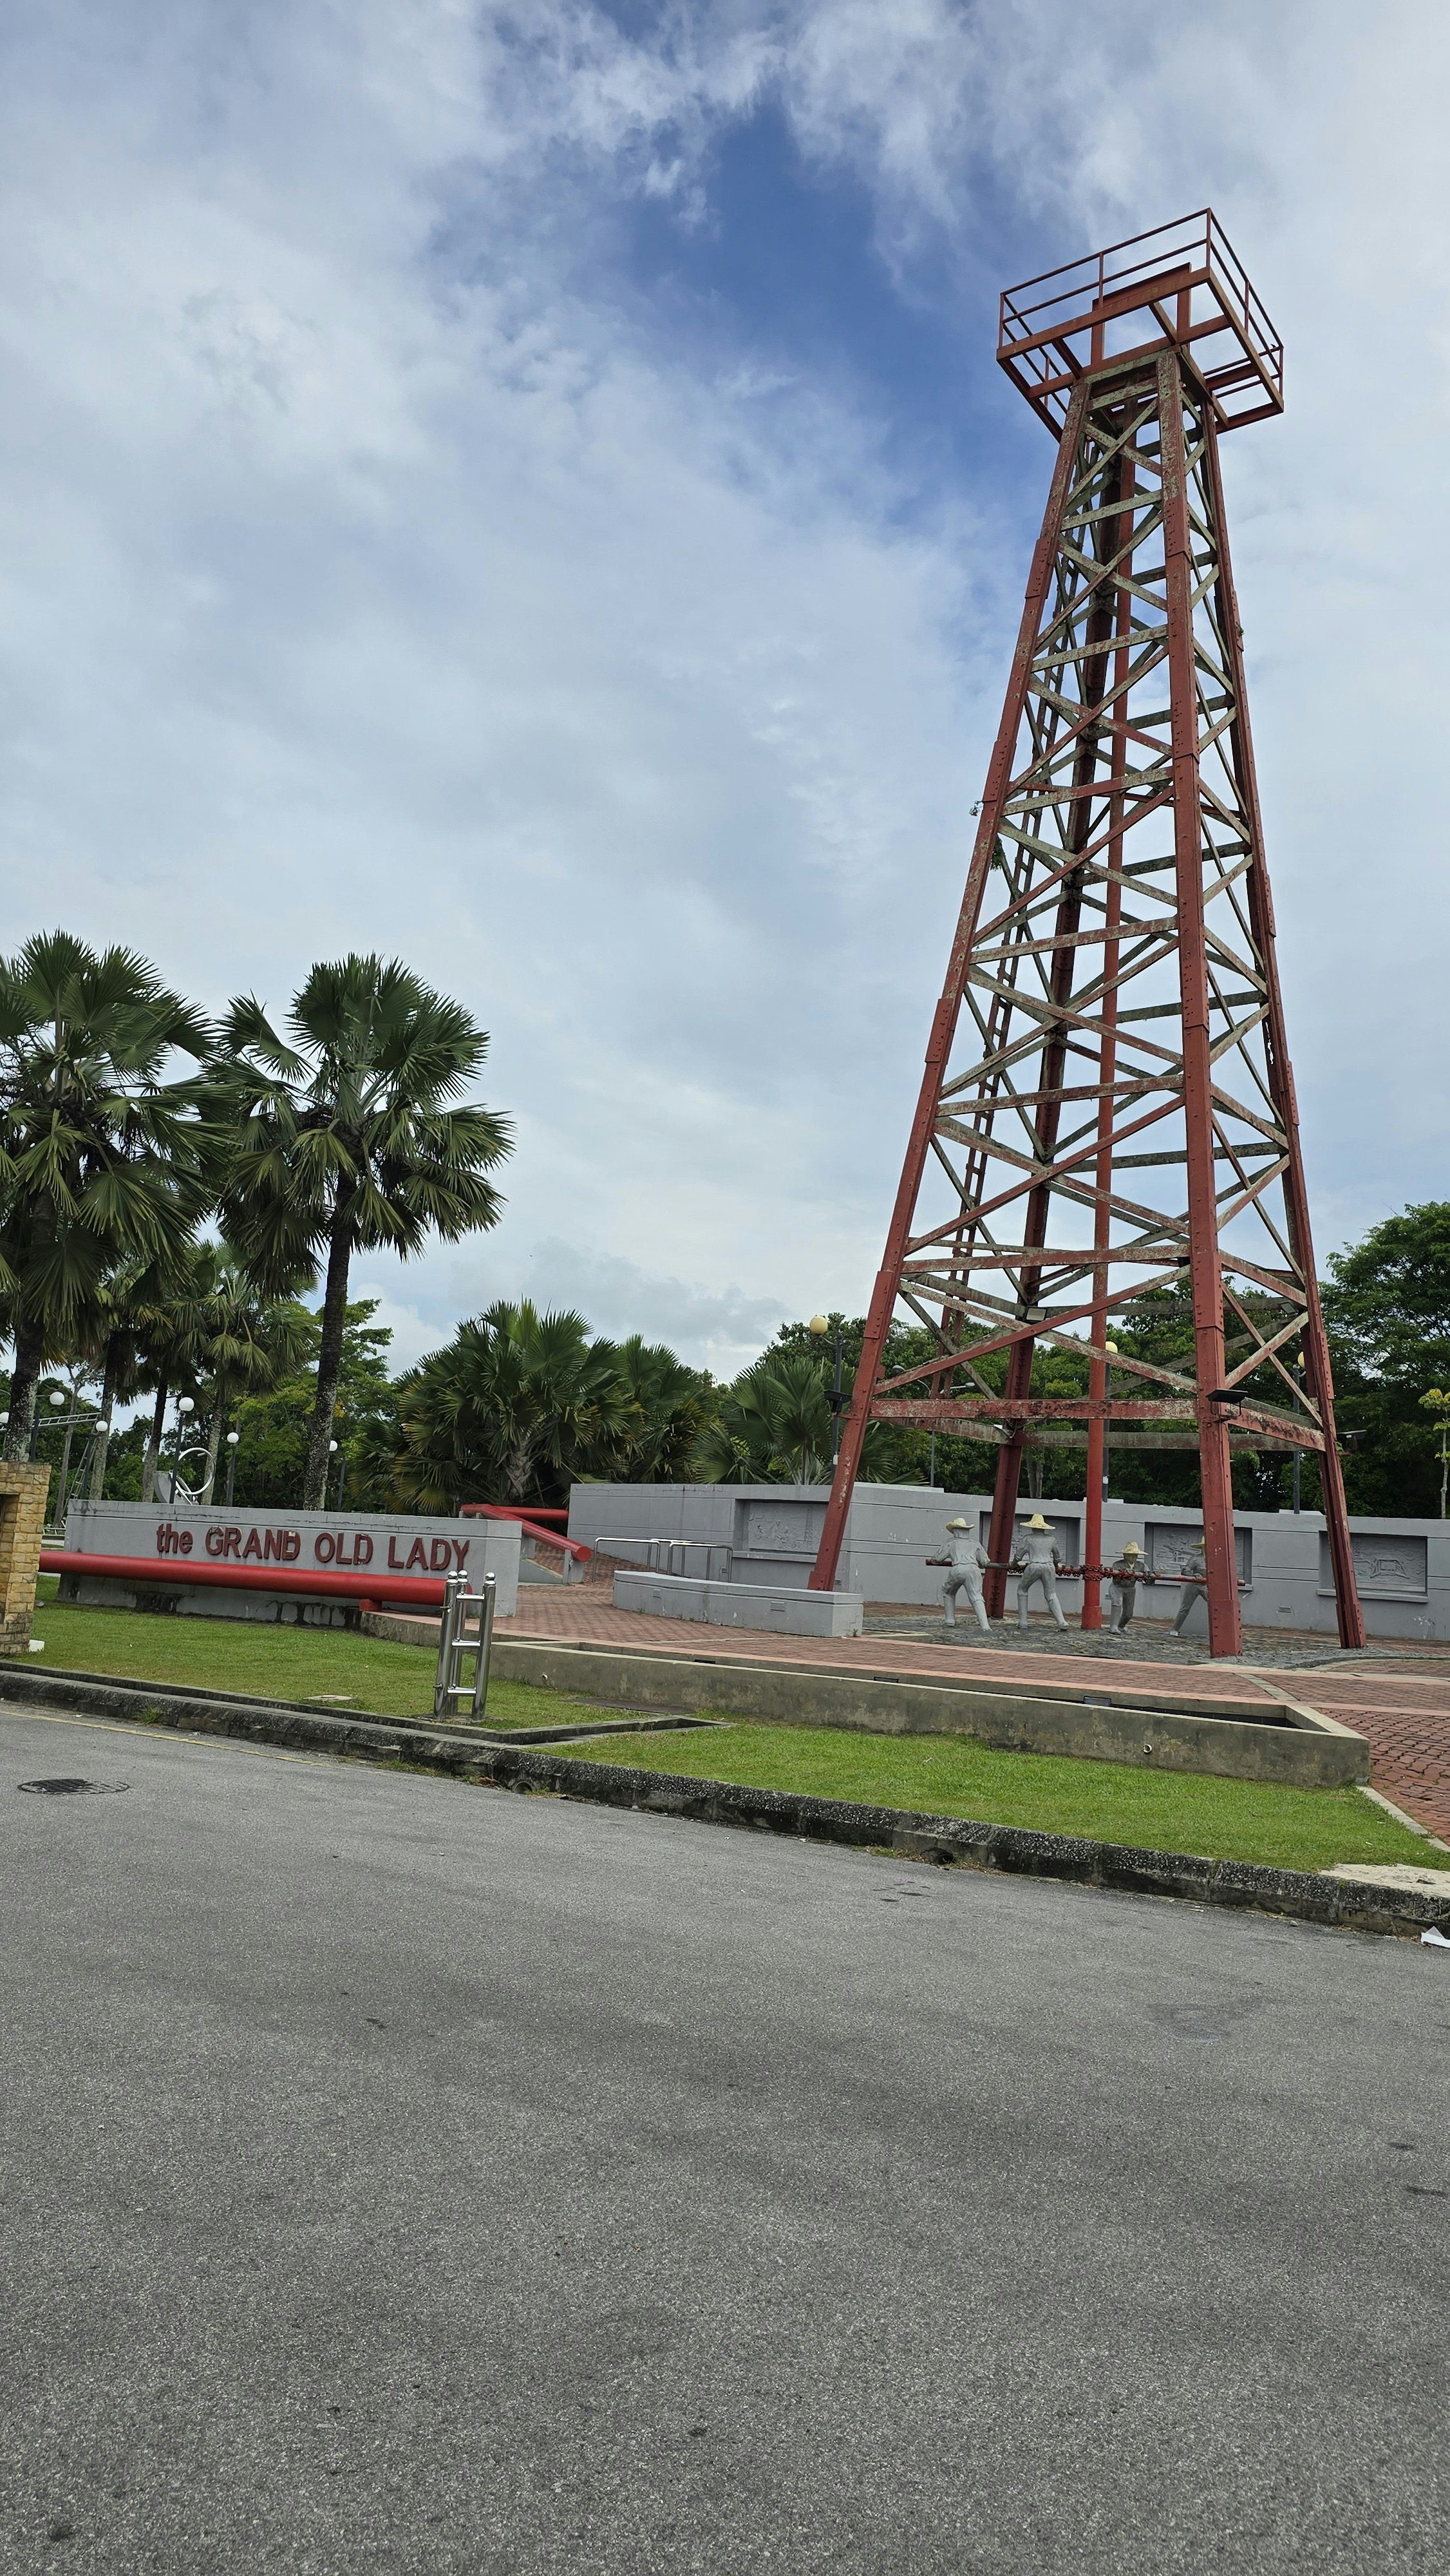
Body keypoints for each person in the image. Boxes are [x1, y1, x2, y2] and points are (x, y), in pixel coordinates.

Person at [930, 1515, 991, 1634]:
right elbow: (984, 1562)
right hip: (974, 1569)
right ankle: (985, 1626)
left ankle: (950, 1620)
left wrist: (935, 1560)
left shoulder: (951, 1543)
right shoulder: (975, 1544)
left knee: (948, 1592)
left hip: (957, 1569)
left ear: (955, 1531)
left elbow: (938, 1559)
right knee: (977, 1596)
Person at [1013, 1513, 1067, 1631]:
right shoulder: (1052, 1540)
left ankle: (1023, 1622)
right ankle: (1062, 1622)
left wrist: (1013, 1565)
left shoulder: (1028, 1538)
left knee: (1022, 1590)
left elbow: (1018, 1556)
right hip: (1049, 1566)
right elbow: (1057, 1558)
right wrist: (1056, 1566)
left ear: (1032, 1527)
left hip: (1034, 1565)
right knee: (1051, 1595)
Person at [1106, 1539, 1148, 1634]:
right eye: (1130, 1555)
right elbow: (1115, 1579)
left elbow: (1148, 1578)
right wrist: (1123, 1574)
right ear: (1125, 1555)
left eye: (1135, 1555)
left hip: (1130, 1589)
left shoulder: (1141, 1566)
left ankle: (1121, 1626)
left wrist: (1150, 1577)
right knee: (1117, 1604)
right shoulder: (1118, 1564)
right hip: (1117, 1587)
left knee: (1128, 1613)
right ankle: (1113, 1627)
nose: (1133, 1557)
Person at [1171, 1537, 1209, 1635]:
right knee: (1185, 1608)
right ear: (1203, 1547)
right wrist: (1193, 1575)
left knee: (1216, 1606)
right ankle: (1174, 1629)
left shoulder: (1215, 1560)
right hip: (1194, 1585)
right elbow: (1185, 1570)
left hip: (1207, 1586)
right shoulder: (1195, 1559)